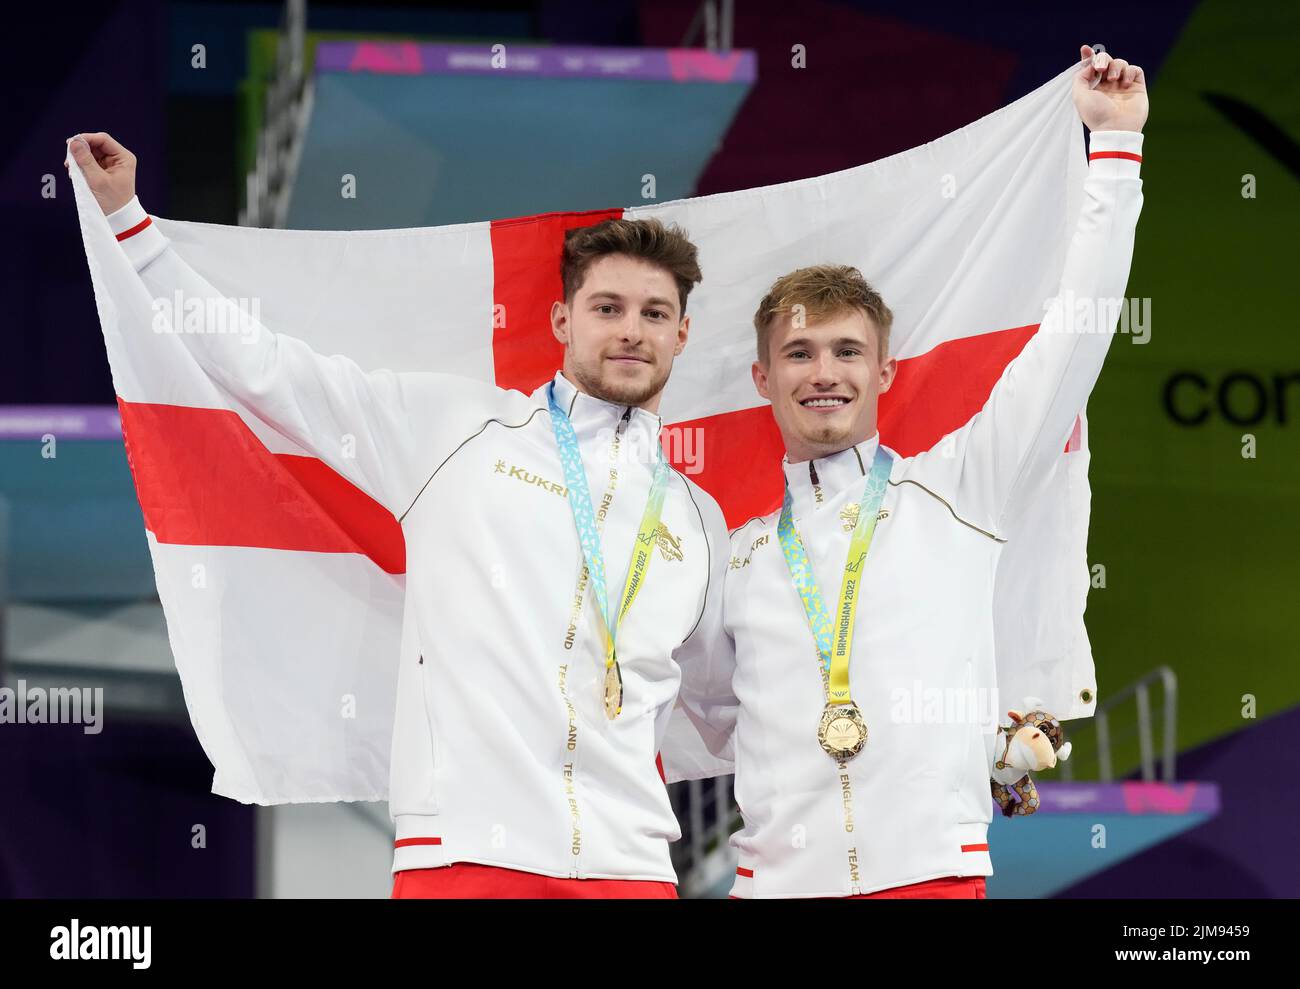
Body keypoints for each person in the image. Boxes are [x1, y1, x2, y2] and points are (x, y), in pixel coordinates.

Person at [66, 133, 729, 899]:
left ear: (682, 333)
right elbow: (272, 371)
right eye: (607, 307)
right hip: (466, 858)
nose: (631, 330)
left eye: (655, 312)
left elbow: (727, 702)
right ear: (561, 320)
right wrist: (133, 229)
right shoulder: (453, 430)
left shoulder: (696, 517)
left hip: (632, 871)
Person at [679, 44, 1148, 898]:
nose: (824, 373)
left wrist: (1115, 151)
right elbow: (713, 719)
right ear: (763, 378)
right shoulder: (735, 559)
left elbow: (1074, 337)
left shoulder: (961, 488)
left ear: (885, 370)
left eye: (847, 351)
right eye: (799, 353)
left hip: (931, 878)